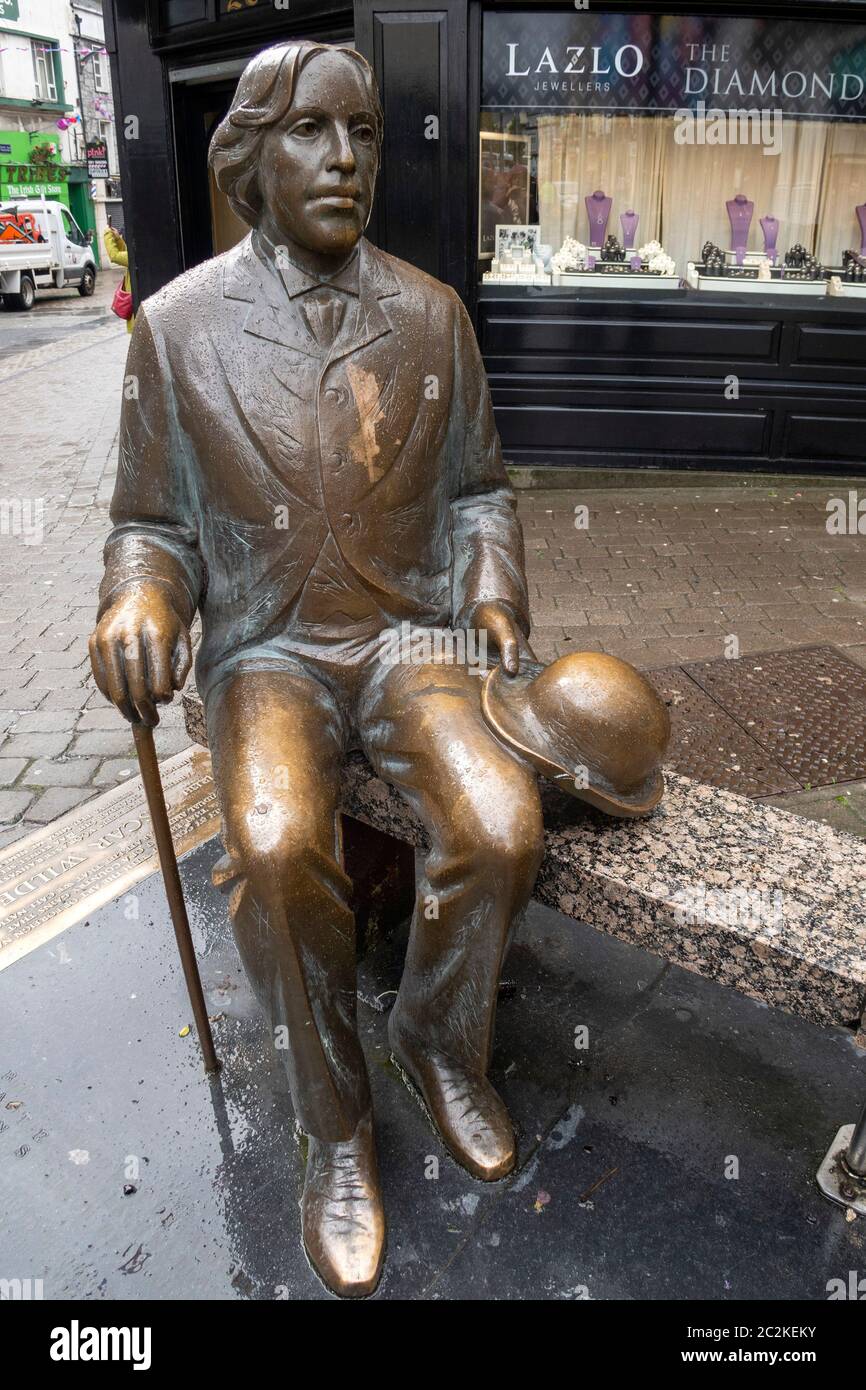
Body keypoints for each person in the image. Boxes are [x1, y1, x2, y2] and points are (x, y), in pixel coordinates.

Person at [90, 40, 544, 1298]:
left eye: (362, 135)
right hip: (268, 652)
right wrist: (137, 598)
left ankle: (436, 1039)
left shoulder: (432, 313)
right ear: (248, 157)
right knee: (282, 843)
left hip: (413, 644)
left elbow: (476, 494)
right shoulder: (175, 331)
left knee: (502, 821)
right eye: (310, 133)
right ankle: (330, 1119)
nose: (344, 159)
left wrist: (495, 599)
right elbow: (150, 523)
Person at [103, 224, 134, 331]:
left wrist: (107, 234)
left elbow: (115, 256)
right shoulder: (136, 251)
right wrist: (117, 238)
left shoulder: (134, 255)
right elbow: (124, 252)